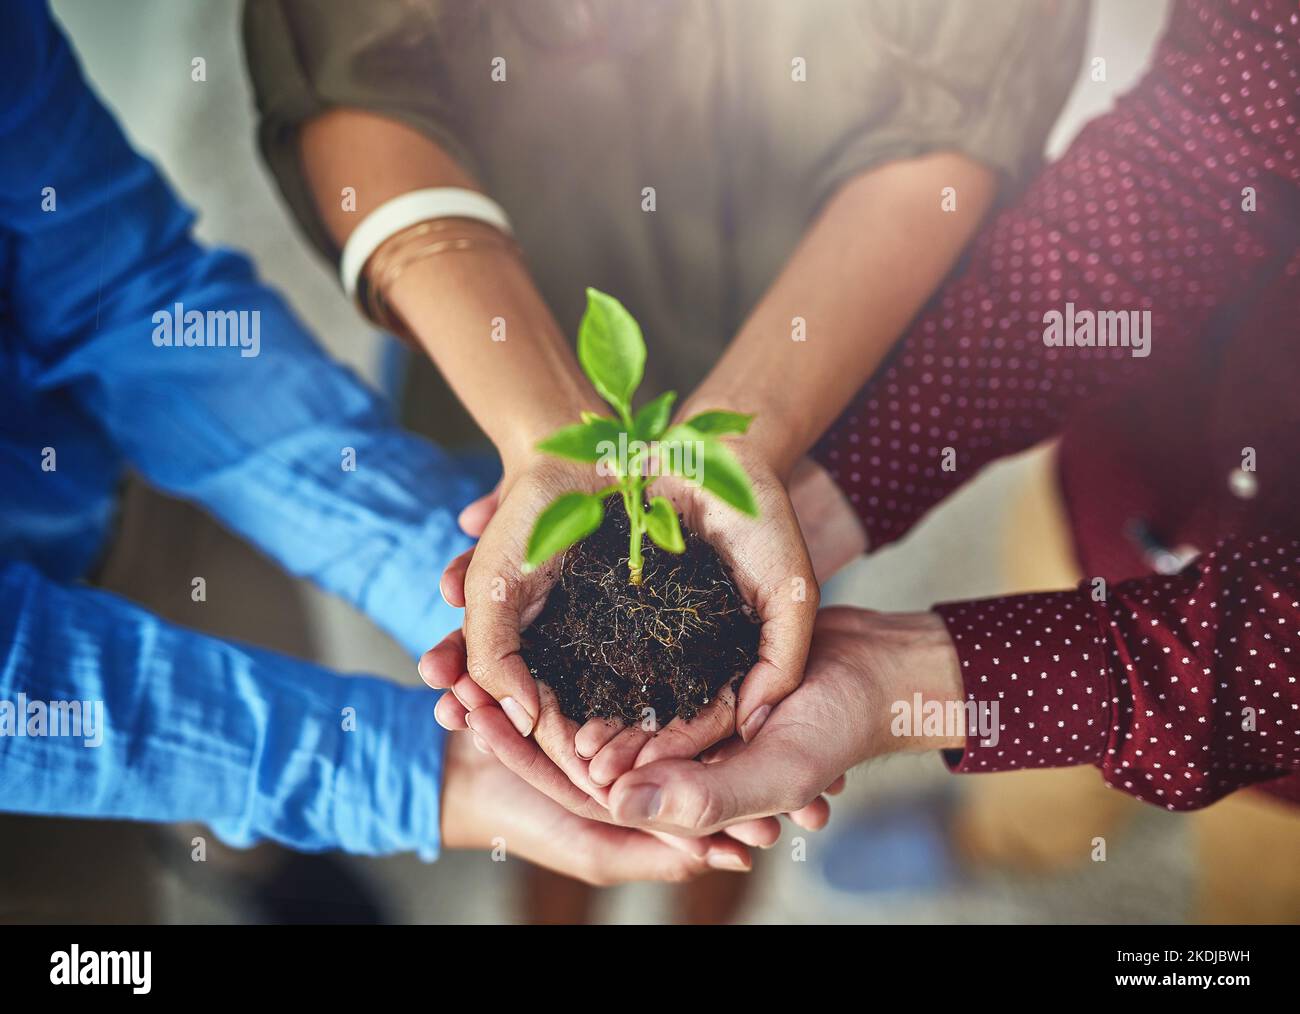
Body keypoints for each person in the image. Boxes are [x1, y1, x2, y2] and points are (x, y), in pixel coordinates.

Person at [435, 0, 1300, 916]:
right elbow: (1208, 154)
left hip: (1279, 744)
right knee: (1033, 792)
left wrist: (911, 682)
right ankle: (994, 838)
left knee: (1254, 880)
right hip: (1124, 497)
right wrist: (814, 496)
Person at [242, 0, 1089, 919]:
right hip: (496, 332)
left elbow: (960, 96)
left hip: (822, 350)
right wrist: (539, 437)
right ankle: (557, 888)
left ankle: (705, 891)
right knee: (549, 753)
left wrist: (747, 438)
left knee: (760, 693)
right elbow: (350, 71)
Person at [0, 0, 747, 893]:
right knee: (96, 901)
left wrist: (483, 588)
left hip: (111, 487)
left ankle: (285, 877)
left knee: (254, 841)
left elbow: (120, 293)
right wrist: (422, 781)